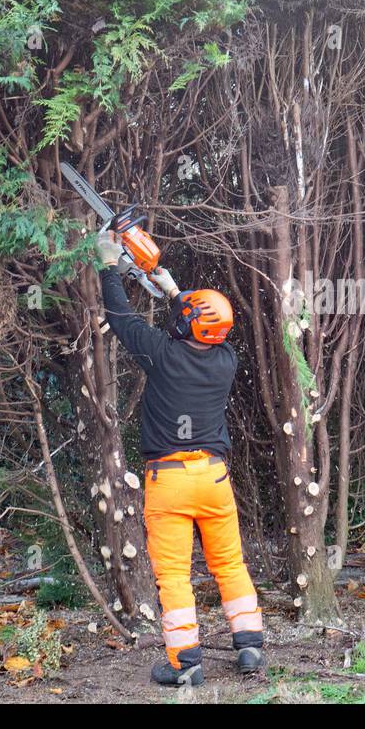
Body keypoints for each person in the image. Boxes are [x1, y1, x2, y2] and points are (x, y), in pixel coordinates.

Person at [96, 229, 265, 686]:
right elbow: (194, 325)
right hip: (213, 478)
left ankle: (184, 662)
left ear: (187, 325)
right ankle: (249, 646)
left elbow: (121, 317)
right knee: (229, 562)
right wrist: (172, 289)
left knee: (173, 574)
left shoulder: (160, 354)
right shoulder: (225, 359)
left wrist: (110, 266)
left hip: (168, 481)